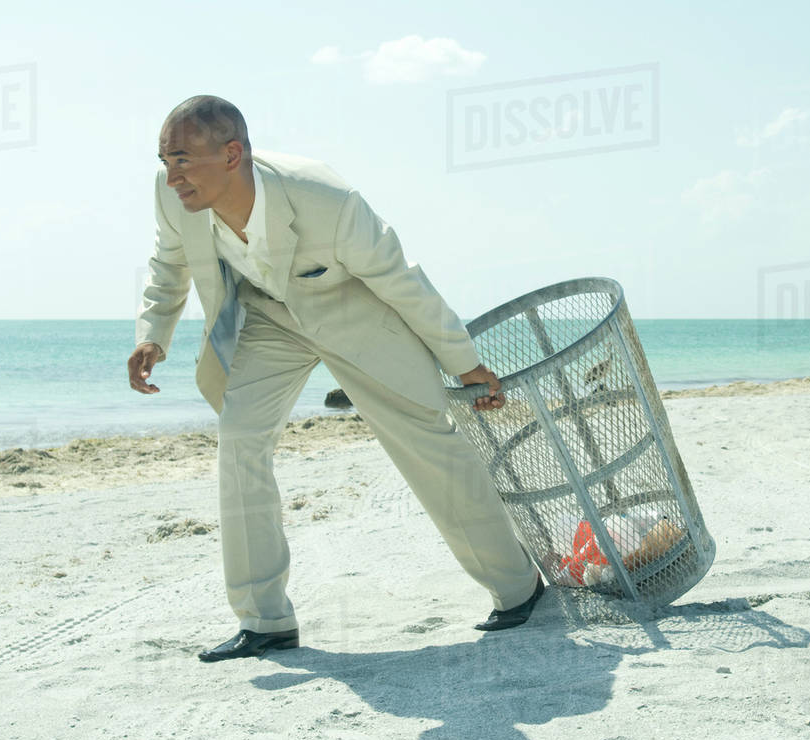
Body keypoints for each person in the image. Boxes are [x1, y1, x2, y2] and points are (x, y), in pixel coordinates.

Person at [128, 96, 544, 662]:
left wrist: (463, 360)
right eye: (163, 161)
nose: (170, 175)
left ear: (231, 154)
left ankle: (519, 590)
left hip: (354, 314)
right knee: (241, 439)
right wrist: (154, 333)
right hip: (269, 318)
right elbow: (169, 262)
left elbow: (401, 281)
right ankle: (265, 620)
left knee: (425, 440)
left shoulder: (327, 198)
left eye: (181, 159)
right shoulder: (172, 196)